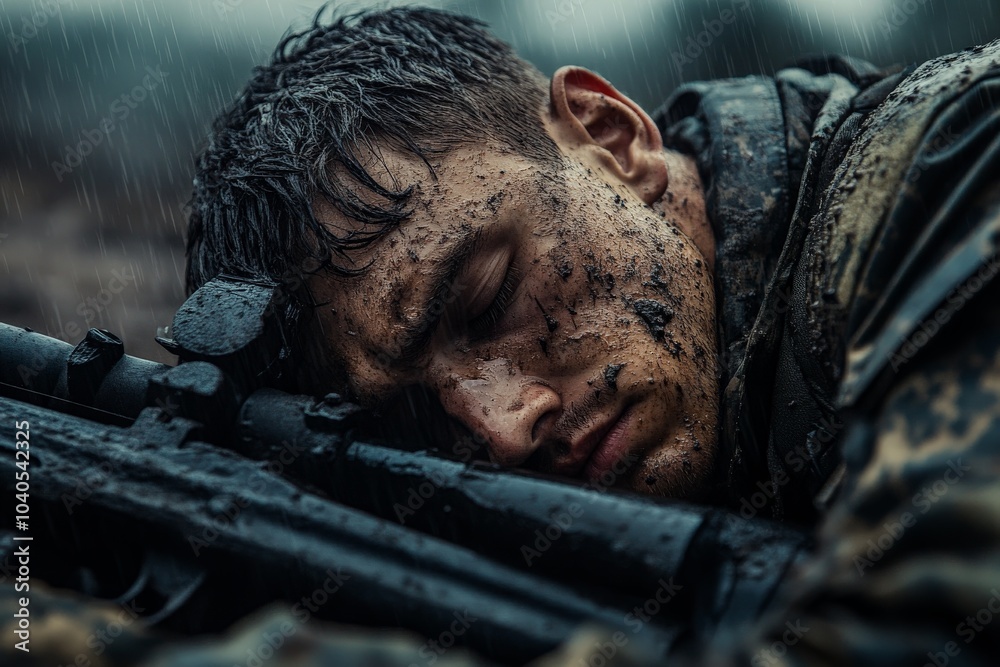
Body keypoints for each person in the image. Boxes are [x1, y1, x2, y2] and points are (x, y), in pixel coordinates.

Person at [178, 5, 1000, 666]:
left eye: (489, 300)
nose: (501, 429)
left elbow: (930, 623)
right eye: (422, 419)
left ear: (611, 139)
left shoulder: (957, 162)